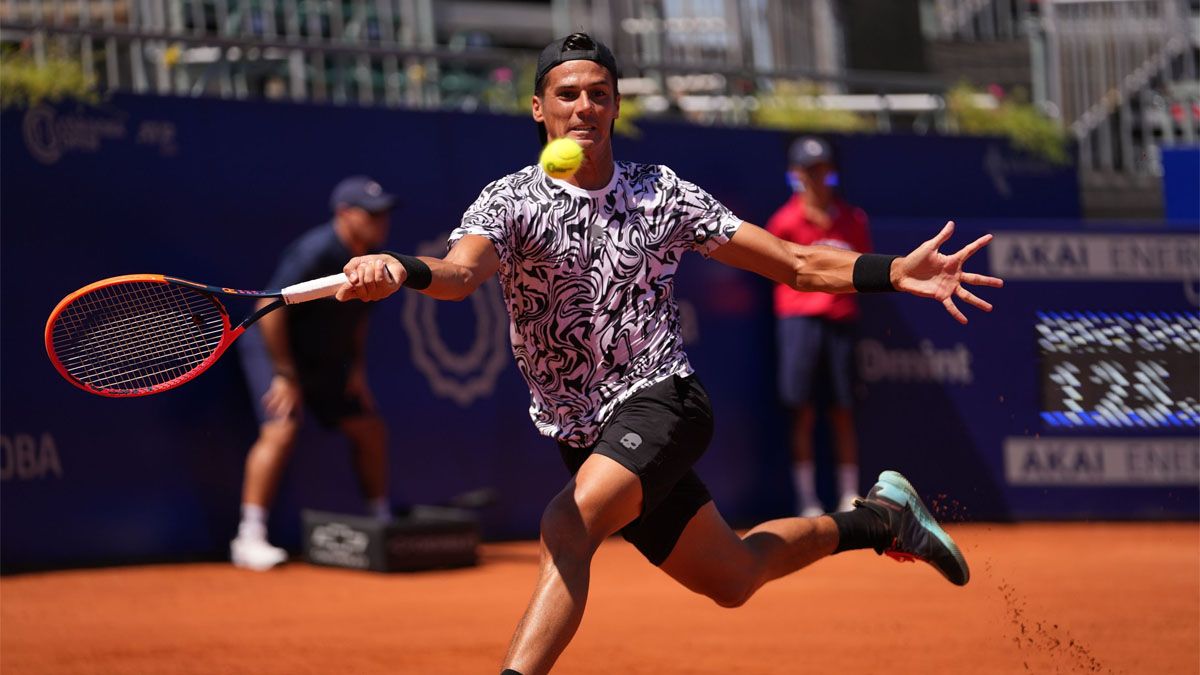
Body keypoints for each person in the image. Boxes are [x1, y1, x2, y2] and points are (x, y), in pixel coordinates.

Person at [336, 33, 1003, 675]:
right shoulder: (511, 202)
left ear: (616, 105)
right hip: (585, 434)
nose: (584, 107)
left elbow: (795, 263)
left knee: (567, 525)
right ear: (538, 108)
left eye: (599, 93)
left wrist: (894, 271)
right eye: (567, 94)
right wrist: (399, 267)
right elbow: (458, 275)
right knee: (734, 577)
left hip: (663, 400)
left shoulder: (661, 193)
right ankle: (880, 519)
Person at [230, 176, 396, 571]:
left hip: (323, 356)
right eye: (371, 213)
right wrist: (284, 375)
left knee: (369, 429)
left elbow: (359, 319)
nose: (381, 221)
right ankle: (248, 537)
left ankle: (381, 522)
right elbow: (268, 309)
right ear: (344, 214)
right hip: (274, 348)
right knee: (281, 428)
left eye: (384, 214)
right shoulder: (317, 250)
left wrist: (355, 369)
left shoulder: (373, 259)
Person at [767, 136, 871, 517]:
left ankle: (849, 497)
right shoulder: (783, 222)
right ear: (796, 174)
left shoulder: (853, 219)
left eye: (822, 169)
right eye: (809, 170)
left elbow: (865, 270)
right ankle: (807, 500)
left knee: (843, 411)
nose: (817, 177)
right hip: (799, 324)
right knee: (803, 411)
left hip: (841, 324)